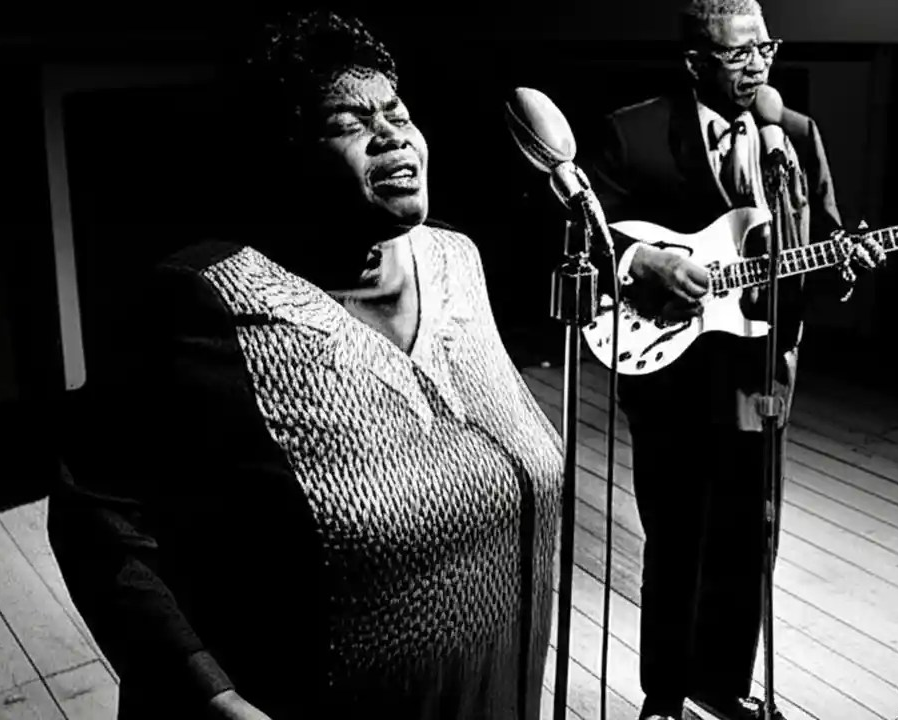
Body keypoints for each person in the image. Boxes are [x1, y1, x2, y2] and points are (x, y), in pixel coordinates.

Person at [48, 10, 563, 720]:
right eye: (349, 122)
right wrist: (214, 695)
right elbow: (97, 519)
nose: (392, 135)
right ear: (286, 152)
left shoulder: (457, 260)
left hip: (495, 684)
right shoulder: (204, 298)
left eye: (398, 112)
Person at [585, 1, 885, 718]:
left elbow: (827, 240)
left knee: (750, 530)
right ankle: (662, 697)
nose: (757, 65)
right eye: (737, 53)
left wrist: (846, 262)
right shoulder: (634, 131)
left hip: (761, 374)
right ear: (695, 62)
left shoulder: (797, 136)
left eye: (766, 49)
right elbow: (580, 235)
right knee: (677, 532)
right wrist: (644, 259)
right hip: (669, 369)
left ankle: (720, 686)